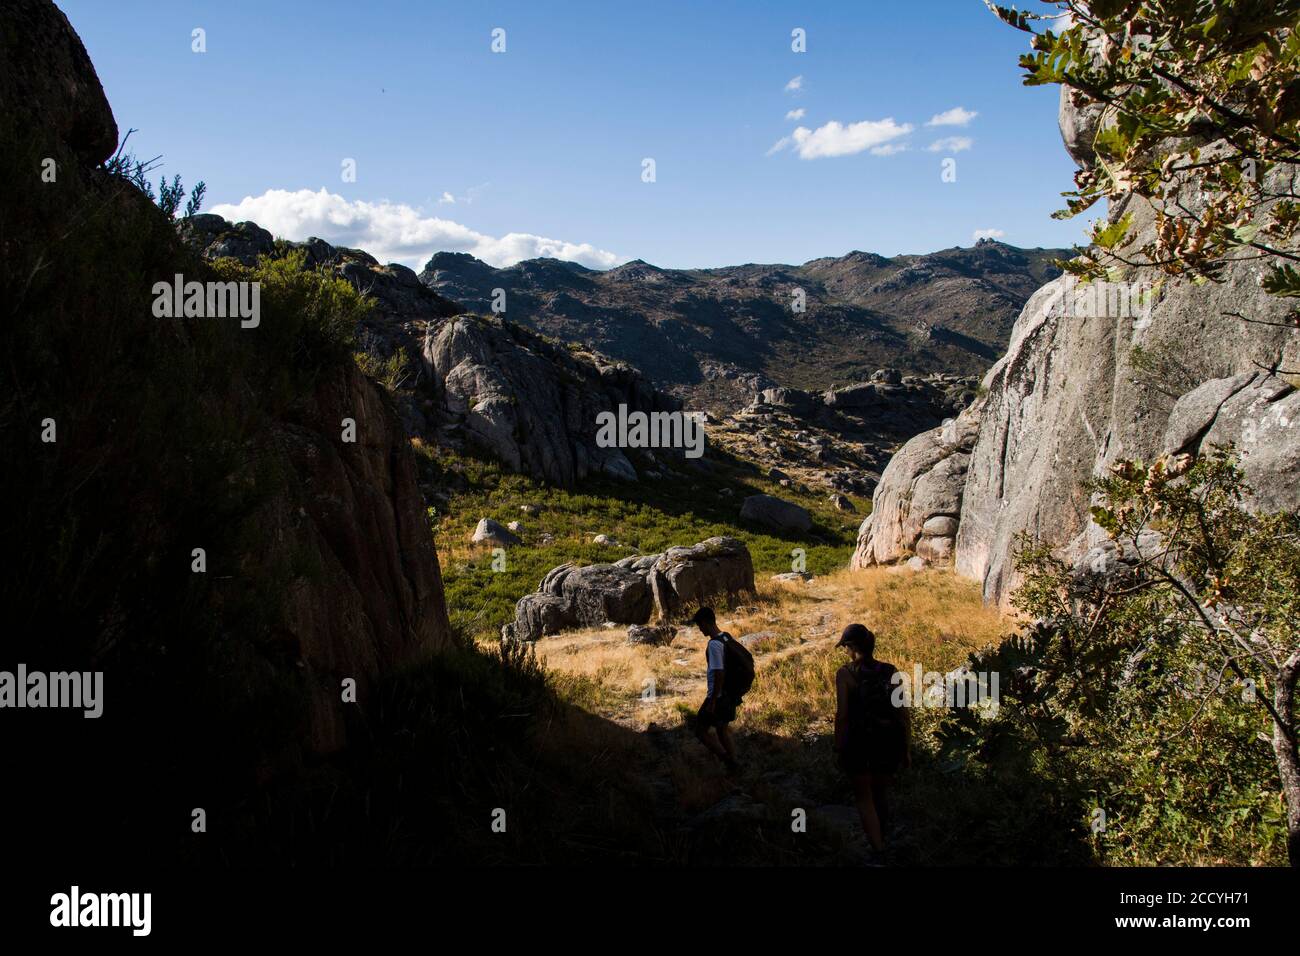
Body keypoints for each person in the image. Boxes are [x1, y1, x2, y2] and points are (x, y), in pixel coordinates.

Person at [834, 623, 910, 852]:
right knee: (880, 793)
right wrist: (906, 748)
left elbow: (842, 715)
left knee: (864, 798)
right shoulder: (891, 671)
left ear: (850, 646)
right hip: (888, 741)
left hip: (859, 743)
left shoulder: (845, 674)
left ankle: (878, 850)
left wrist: (839, 747)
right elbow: (903, 714)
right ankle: (884, 837)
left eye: (845, 647)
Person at [690, 606, 745, 773]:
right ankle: (735, 763)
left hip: (718, 696)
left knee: (700, 731)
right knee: (721, 730)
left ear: (707, 622)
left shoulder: (714, 644)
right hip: (729, 695)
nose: (700, 629)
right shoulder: (726, 637)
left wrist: (713, 700)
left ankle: (727, 760)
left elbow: (719, 673)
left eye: (700, 625)